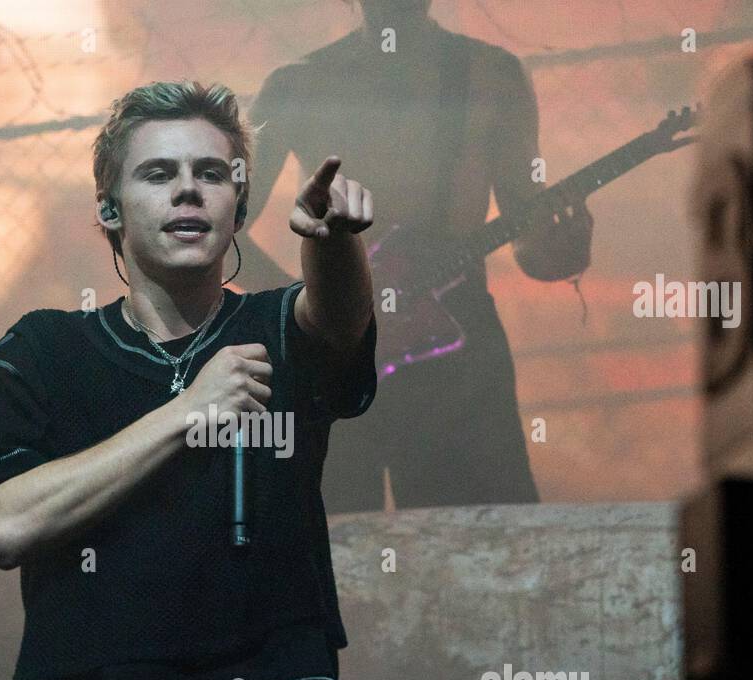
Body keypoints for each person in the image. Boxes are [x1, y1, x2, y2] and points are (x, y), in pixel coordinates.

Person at [0, 80, 378, 680]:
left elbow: (338, 323)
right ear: (109, 209)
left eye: (213, 175)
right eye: (158, 174)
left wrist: (331, 241)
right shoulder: (43, 351)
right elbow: (3, 523)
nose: (188, 189)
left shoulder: (273, 328)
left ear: (239, 209)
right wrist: (186, 413)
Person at [238, 0, 593, 511]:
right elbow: (223, 231)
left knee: (482, 551)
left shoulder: (494, 76)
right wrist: (309, 306)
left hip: (457, 350)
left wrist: (566, 250)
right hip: (332, 353)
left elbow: (529, 242)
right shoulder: (296, 84)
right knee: (332, 555)